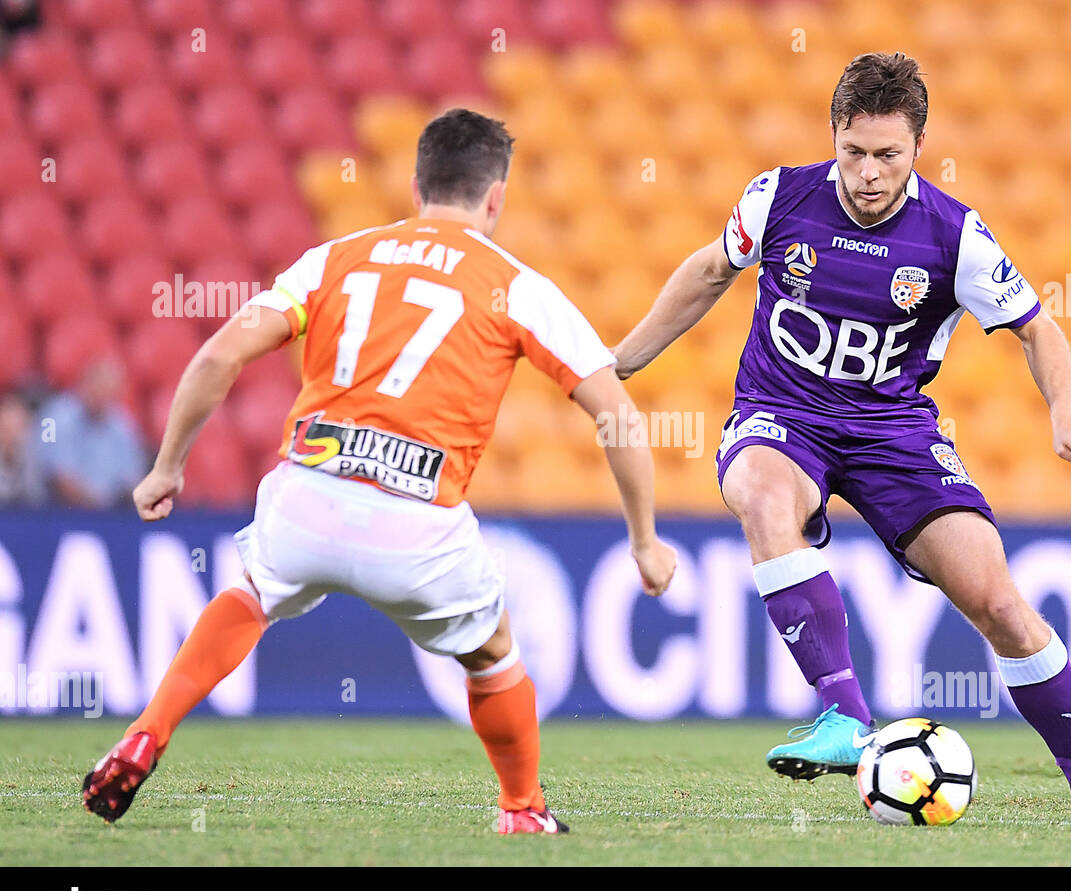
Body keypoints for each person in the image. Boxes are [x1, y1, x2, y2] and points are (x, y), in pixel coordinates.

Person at [82, 108, 678, 835]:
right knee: (492, 650)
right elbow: (615, 412)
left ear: (415, 183)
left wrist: (166, 466)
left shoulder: (334, 257)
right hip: (417, 518)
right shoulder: (518, 286)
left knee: (250, 590)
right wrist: (644, 538)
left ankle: (147, 730)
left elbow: (216, 357)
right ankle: (522, 808)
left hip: (308, 489)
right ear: (497, 197)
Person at [614, 53, 1071, 826]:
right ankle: (844, 715)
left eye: (888, 156)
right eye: (854, 152)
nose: (868, 173)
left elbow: (1039, 329)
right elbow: (706, 272)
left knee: (998, 601)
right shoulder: (778, 198)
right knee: (765, 497)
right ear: (834, 135)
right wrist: (620, 362)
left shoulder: (953, 234)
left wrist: (1065, 413)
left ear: (918, 148)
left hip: (892, 431)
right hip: (782, 411)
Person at [36, 357, 146, 508]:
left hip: (112, 512)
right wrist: (96, 505)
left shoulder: (122, 424)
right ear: (84, 385)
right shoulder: (54, 419)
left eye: (110, 392)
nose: (102, 397)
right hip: (60, 510)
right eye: (98, 388)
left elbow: (133, 480)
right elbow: (60, 479)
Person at [0, 392, 45, 505]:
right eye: (5, 424)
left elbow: (36, 495)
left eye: (17, 423)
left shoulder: (34, 454)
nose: (10, 431)